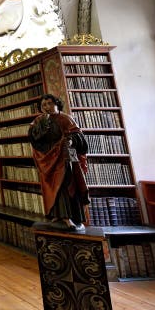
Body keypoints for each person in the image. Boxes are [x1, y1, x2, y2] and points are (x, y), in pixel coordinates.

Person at [28, 94, 90, 231]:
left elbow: (79, 136)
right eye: (44, 105)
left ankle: (69, 218)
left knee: (64, 185)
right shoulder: (39, 120)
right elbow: (33, 138)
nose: (47, 107)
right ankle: (56, 215)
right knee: (52, 187)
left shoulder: (65, 118)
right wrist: (42, 127)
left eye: (50, 103)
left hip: (65, 158)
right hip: (49, 159)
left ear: (57, 104)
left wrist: (71, 140)